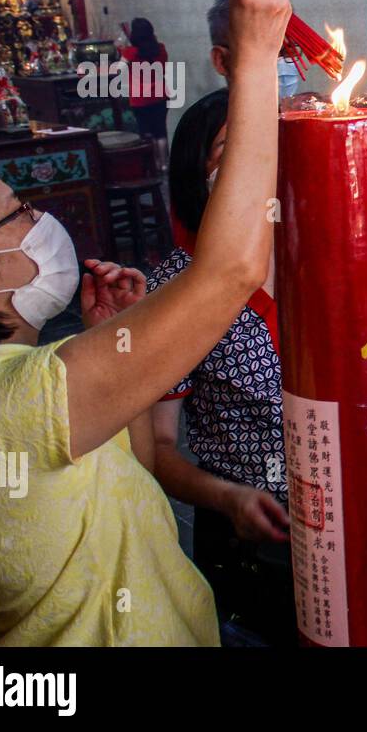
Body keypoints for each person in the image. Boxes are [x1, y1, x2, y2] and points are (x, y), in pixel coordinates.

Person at [0, 0, 290, 646]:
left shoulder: (21, 383)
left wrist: (117, 339)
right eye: (18, 213)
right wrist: (254, 64)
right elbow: (231, 272)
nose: (43, 221)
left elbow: (145, 471)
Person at [144, 77, 293, 645]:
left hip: (342, 507)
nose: (259, 164)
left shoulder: (318, 253)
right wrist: (229, 498)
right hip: (249, 529)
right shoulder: (176, 288)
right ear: (198, 174)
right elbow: (157, 451)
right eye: (234, 151)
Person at [121, 17, 171, 164]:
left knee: (147, 133)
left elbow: (119, 70)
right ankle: (164, 164)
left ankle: (153, 165)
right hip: (160, 95)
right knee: (161, 132)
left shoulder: (130, 53)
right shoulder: (160, 49)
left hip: (140, 99)